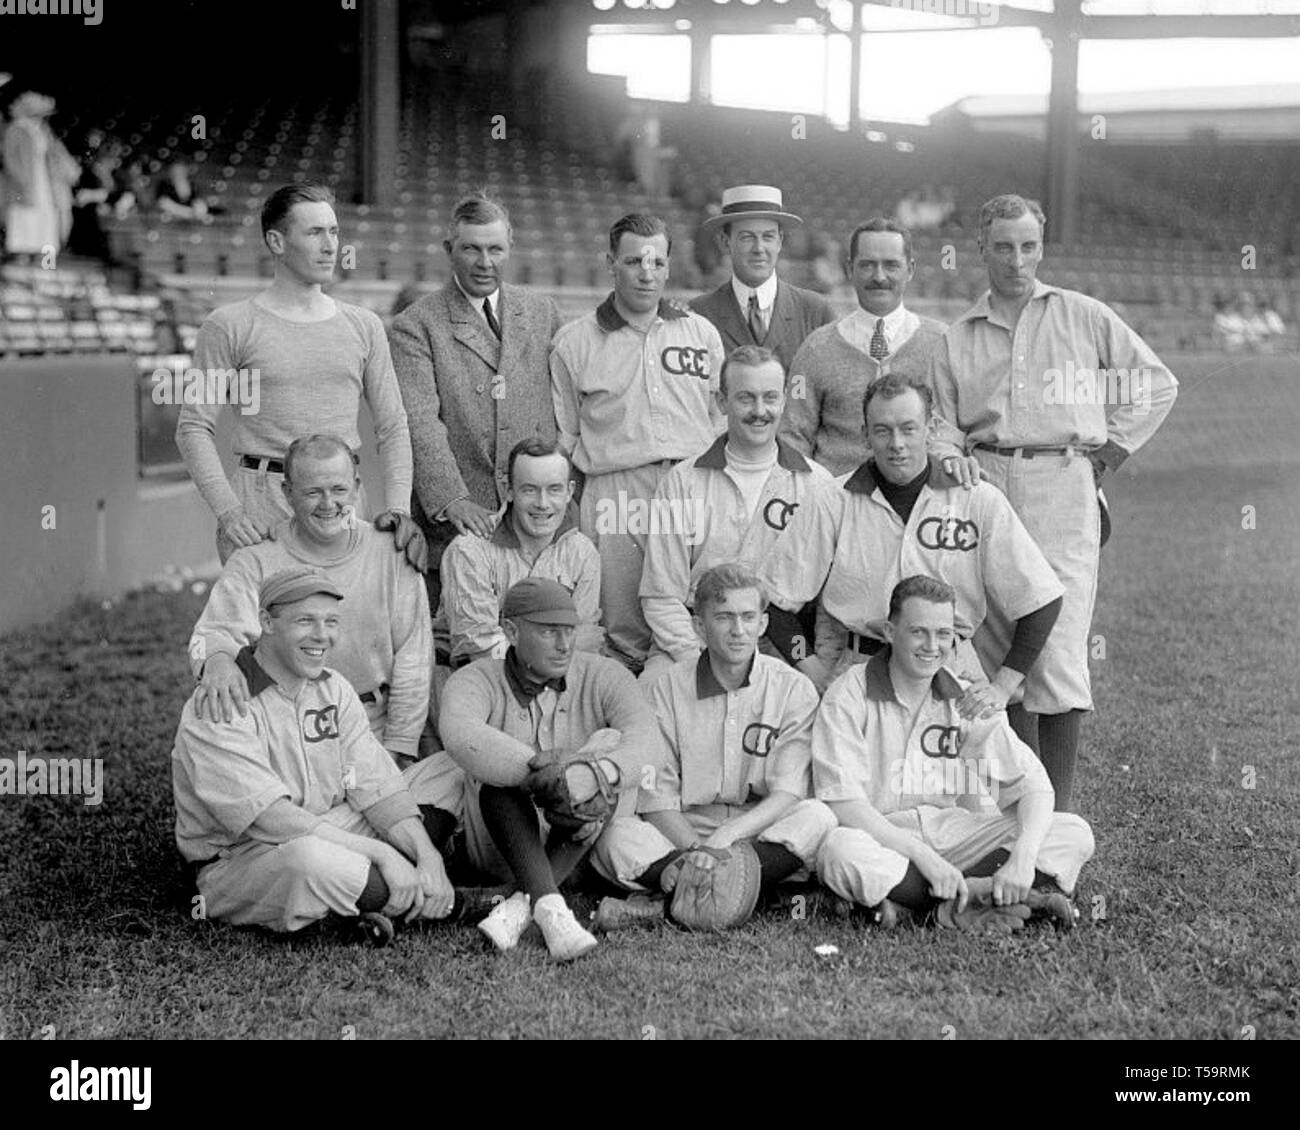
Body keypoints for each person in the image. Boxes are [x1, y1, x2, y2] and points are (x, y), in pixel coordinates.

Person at [927, 193, 1178, 810]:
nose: (1017, 260)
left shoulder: (1082, 315)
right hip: (985, 483)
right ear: (981, 249)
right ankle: (1017, 806)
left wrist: (1111, 451)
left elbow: (1154, 382)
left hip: (1064, 481)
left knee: (1059, 644)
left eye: (1029, 247)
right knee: (994, 640)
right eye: (1004, 248)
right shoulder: (957, 337)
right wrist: (948, 452)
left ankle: (1058, 816)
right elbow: (939, 422)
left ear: (1042, 247)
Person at [172, 567, 457, 941]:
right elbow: (270, 820)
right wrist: (382, 853)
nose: (322, 636)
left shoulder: (333, 687)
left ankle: (377, 893)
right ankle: (456, 904)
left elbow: (375, 786)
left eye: (331, 622)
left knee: (449, 771)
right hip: (246, 858)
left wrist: (427, 855)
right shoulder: (223, 699)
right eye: (306, 621)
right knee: (307, 861)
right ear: (266, 622)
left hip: (330, 826)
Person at [812, 576, 1094, 931]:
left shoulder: (964, 696)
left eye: (943, 634)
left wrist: (1022, 856)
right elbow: (843, 803)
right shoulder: (850, 693)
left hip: (950, 833)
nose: (932, 646)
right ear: (889, 631)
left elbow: (1034, 786)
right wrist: (923, 857)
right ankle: (971, 901)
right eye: (918, 632)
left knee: (1071, 831)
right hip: (881, 836)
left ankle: (923, 905)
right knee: (838, 851)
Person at [760, 373, 1064, 699]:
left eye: (908, 428)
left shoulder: (975, 498)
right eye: (882, 430)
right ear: (865, 435)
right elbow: (774, 600)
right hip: (859, 668)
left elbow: (1041, 599)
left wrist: (1003, 687)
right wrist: (812, 669)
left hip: (951, 666)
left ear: (930, 429)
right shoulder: (833, 500)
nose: (897, 444)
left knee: (982, 747)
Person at [175, 183, 422, 570]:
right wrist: (229, 512)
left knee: (345, 627)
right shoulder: (227, 326)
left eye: (334, 232)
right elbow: (192, 427)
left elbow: (394, 425)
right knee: (271, 628)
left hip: (341, 505)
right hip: (261, 510)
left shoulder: (365, 326)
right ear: (276, 241)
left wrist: (398, 509)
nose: (330, 246)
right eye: (314, 233)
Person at [591, 565, 836, 931]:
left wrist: (728, 838)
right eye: (724, 618)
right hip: (684, 833)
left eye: (748, 617)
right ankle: (754, 898)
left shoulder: (792, 689)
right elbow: (656, 799)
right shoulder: (666, 688)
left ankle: (667, 905)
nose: (738, 631)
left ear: (763, 625)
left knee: (818, 817)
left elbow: (788, 793)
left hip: (758, 834)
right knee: (616, 835)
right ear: (699, 627)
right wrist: (697, 852)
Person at [437, 579, 663, 962]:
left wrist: (595, 774)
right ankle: (540, 897)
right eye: (548, 632)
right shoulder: (475, 678)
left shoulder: (605, 674)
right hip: (499, 838)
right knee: (491, 766)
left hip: (580, 837)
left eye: (569, 631)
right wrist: (551, 775)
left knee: (610, 745)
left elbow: (648, 742)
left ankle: (535, 906)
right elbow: (461, 734)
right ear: (511, 631)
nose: (564, 645)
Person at [186, 435, 435, 773]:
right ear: (288, 494)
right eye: (313, 492)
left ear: (357, 488)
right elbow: (212, 632)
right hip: (286, 726)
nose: (328, 504)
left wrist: (399, 747)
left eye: (339, 490)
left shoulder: (390, 553)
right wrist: (217, 660)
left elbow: (414, 657)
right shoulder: (257, 560)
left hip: (372, 722)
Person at [550, 212, 725, 673]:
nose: (646, 273)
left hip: (692, 483)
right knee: (623, 626)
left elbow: (718, 417)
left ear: (668, 266)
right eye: (633, 261)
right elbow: (565, 436)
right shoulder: (575, 341)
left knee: (693, 610)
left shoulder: (700, 334)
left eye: (656, 262)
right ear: (612, 263)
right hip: (616, 489)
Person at [389, 193, 563, 612]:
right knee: (460, 646)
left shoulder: (542, 312)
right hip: (458, 526)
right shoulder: (416, 326)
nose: (485, 262)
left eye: (495, 249)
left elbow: (562, 406)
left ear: (510, 249)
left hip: (535, 520)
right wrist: (451, 499)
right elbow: (420, 421)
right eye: (471, 248)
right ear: (450, 251)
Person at [638, 345, 831, 681]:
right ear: (722, 402)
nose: (760, 411)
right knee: (652, 691)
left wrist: (808, 661)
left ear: (784, 400)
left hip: (782, 646)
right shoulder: (683, 482)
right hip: (692, 640)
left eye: (770, 397)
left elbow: (826, 603)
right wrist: (701, 658)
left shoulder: (818, 485)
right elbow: (661, 595)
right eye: (745, 398)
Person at [780, 218, 946, 475]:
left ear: (910, 269)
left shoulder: (942, 344)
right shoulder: (815, 349)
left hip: (921, 503)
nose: (879, 277)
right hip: (838, 502)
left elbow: (956, 431)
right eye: (867, 265)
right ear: (849, 269)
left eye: (891, 265)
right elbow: (793, 435)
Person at [436, 437, 603, 669]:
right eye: (530, 490)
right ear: (509, 490)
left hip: (557, 685)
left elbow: (585, 643)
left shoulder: (583, 553)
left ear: (569, 492)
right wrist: (556, 652)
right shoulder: (469, 550)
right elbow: (481, 648)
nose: (543, 503)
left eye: (554, 489)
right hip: (480, 682)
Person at [688, 184, 834, 374]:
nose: (759, 248)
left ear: (780, 241)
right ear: (725, 242)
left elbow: (830, 392)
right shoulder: (699, 314)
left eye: (768, 236)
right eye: (747, 237)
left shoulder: (815, 311)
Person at [2, 88, 77, 264]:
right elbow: (10, 159)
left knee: (48, 222)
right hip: (25, 185)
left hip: (45, 183)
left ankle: (47, 265)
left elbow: (54, 154)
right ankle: (22, 264)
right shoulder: (16, 129)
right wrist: (21, 182)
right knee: (24, 223)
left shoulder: (43, 130)